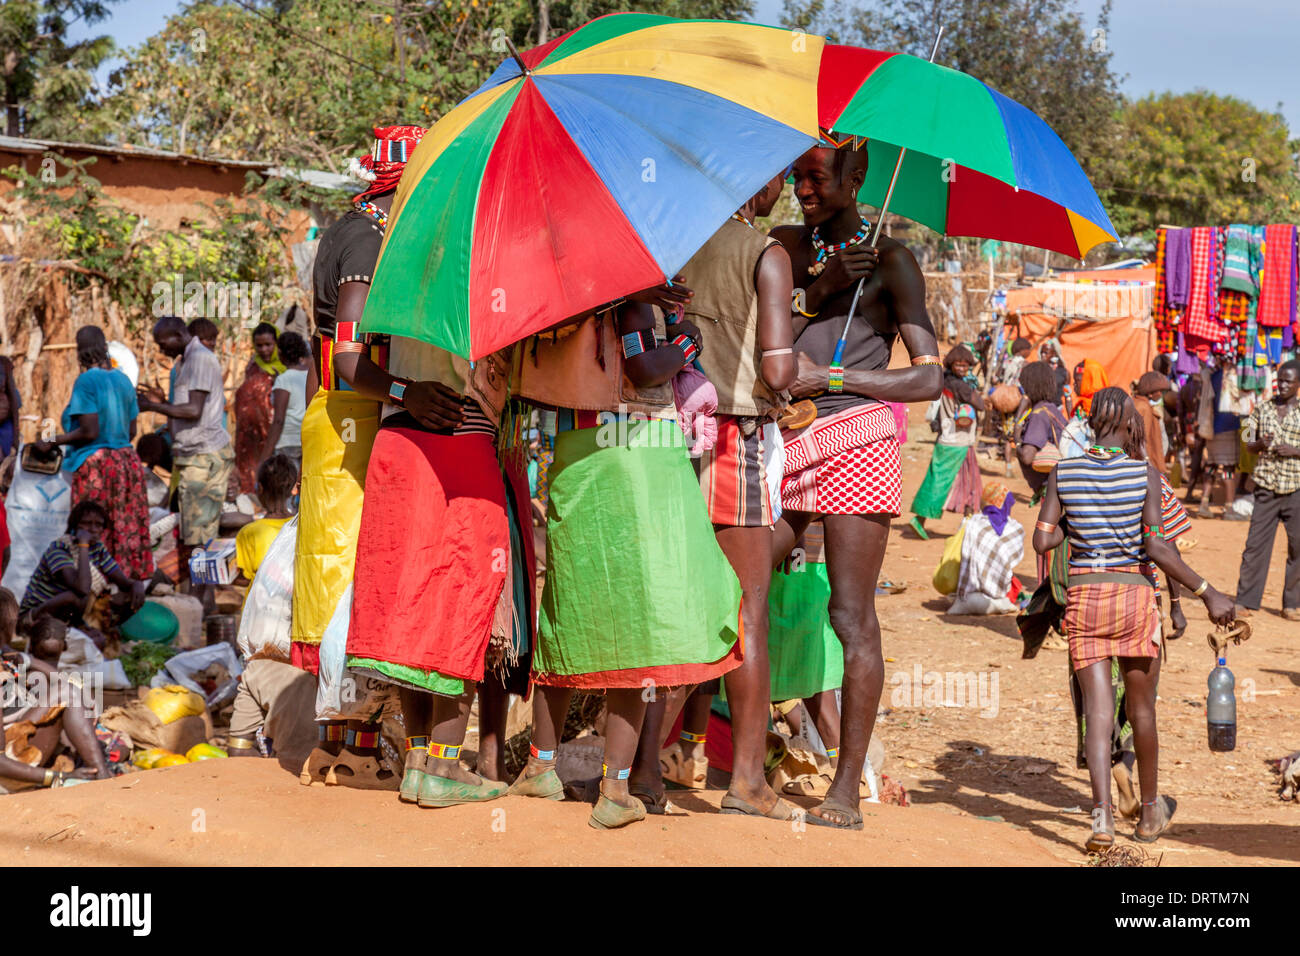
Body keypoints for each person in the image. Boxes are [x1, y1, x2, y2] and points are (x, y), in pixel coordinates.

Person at [507, 294, 741, 829]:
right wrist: (685, 342)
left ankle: (541, 767)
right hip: (638, 457)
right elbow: (642, 367)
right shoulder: (634, 299)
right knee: (640, 620)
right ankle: (615, 787)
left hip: (576, 452)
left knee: (566, 610)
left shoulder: (563, 299)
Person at [767, 138, 942, 829]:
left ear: (858, 176)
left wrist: (836, 378)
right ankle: (730, 757)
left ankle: (845, 786)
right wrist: (823, 287)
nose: (801, 187)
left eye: (814, 176)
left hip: (859, 437)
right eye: (795, 175)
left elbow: (928, 377)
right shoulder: (781, 245)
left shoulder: (895, 261)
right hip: (781, 437)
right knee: (740, 583)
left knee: (849, 614)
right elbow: (765, 336)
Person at [293, 125, 461, 792]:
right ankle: (354, 746)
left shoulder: (349, 225)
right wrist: (407, 392)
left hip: (338, 423)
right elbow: (349, 359)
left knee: (347, 583)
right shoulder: (368, 240)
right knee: (357, 584)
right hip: (356, 422)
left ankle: (344, 743)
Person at [1032, 386, 1234, 851]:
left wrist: (1076, 524)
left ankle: (1101, 820)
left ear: (1091, 424)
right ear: (1128, 425)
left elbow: (1043, 542)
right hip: (1134, 598)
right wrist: (1207, 593)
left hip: (1085, 597)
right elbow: (1159, 547)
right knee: (1142, 710)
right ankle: (1147, 814)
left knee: (1099, 715)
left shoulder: (1064, 472)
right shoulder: (1144, 474)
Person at [345, 330, 530, 807]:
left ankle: (417, 764)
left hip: (398, 444)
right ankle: (445, 767)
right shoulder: (493, 276)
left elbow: (348, 359)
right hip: (460, 440)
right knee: (461, 604)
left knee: (412, 607)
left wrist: (403, 391)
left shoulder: (400, 264)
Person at [668, 174, 796, 821]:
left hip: (672, 439)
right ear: (764, 178)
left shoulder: (674, 238)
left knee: (676, 600)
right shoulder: (765, 253)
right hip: (733, 442)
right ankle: (746, 780)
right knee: (748, 613)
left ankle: (638, 769)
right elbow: (777, 370)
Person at [32, 326, 153, 579]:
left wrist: (52, 440)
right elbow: (131, 431)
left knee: (92, 530)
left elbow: (88, 431)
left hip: (98, 467)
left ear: (80, 352)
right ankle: (125, 589)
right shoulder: (123, 380)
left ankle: (92, 591)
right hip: (128, 464)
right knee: (124, 528)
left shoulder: (86, 381)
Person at [136, 316, 234, 602]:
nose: (160, 348)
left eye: (161, 342)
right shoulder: (185, 362)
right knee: (195, 536)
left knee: (200, 539)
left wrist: (152, 406)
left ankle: (200, 604)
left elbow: (193, 410)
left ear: (178, 334)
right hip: (192, 456)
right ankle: (201, 602)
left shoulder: (200, 360)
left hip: (203, 457)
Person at [0, 598, 110, 792]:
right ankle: (102, 776)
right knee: (68, 694)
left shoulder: (6, 657)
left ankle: (100, 773)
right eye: (13, 622)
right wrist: (58, 777)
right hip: (8, 773)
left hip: (16, 746)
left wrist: (25, 659)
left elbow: (60, 680)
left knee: (69, 692)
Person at [1234, 359, 1300, 620]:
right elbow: (1246, 441)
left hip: (1295, 487)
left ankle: (1292, 604)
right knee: (1255, 546)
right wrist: (1259, 442)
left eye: (1289, 381)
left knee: (1298, 547)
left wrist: (1295, 451)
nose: (1282, 385)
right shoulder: (1261, 409)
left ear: (1298, 384)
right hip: (1266, 486)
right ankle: (1246, 601)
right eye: (1280, 380)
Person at [18, 501, 150, 628]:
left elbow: (123, 582)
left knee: (129, 596)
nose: (93, 529)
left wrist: (137, 585)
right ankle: (70, 629)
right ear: (75, 527)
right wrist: (83, 544)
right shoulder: (59, 549)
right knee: (74, 597)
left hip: (68, 613)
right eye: (87, 524)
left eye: (98, 525)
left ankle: (103, 630)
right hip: (34, 617)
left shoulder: (98, 549)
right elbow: (82, 588)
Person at [909, 345, 984, 539]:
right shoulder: (961, 386)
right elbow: (980, 405)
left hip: (946, 439)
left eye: (965, 366)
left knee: (937, 481)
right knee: (970, 485)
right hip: (959, 442)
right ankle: (965, 529)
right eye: (959, 365)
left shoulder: (943, 381)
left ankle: (920, 519)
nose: (962, 369)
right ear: (952, 365)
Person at [233, 322, 285, 494]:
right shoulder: (252, 366)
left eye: (268, 345)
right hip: (250, 433)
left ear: (277, 344)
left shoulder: (285, 368)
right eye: (259, 346)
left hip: (275, 430)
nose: (264, 350)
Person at [233, 454, 296, 585]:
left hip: (260, 604)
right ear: (292, 490)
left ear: (260, 489)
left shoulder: (249, 532)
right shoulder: (300, 527)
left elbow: (245, 578)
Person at [1015, 360, 1068, 500]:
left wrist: (1017, 440)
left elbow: (1027, 457)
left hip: (1054, 490)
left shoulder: (1038, 415)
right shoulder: (1051, 408)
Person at [262, 331, 310, 473]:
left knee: (286, 486)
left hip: (287, 442)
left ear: (281, 353)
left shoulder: (284, 380)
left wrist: (265, 456)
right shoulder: (310, 376)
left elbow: (278, 420)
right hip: (306, 440)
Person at [1132, 371, 1172, 476]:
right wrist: (1147, 461)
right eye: (1160, 391)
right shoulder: (1143, 408)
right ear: (1150, 392)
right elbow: (1141, 440)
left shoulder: (1141, 404)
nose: (1161, 394)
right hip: (1142, 465)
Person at [0, 354, 21, 460]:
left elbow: (13, 397)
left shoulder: (3, 363)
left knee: (9, 463)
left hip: (5, 424)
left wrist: (16, 434)